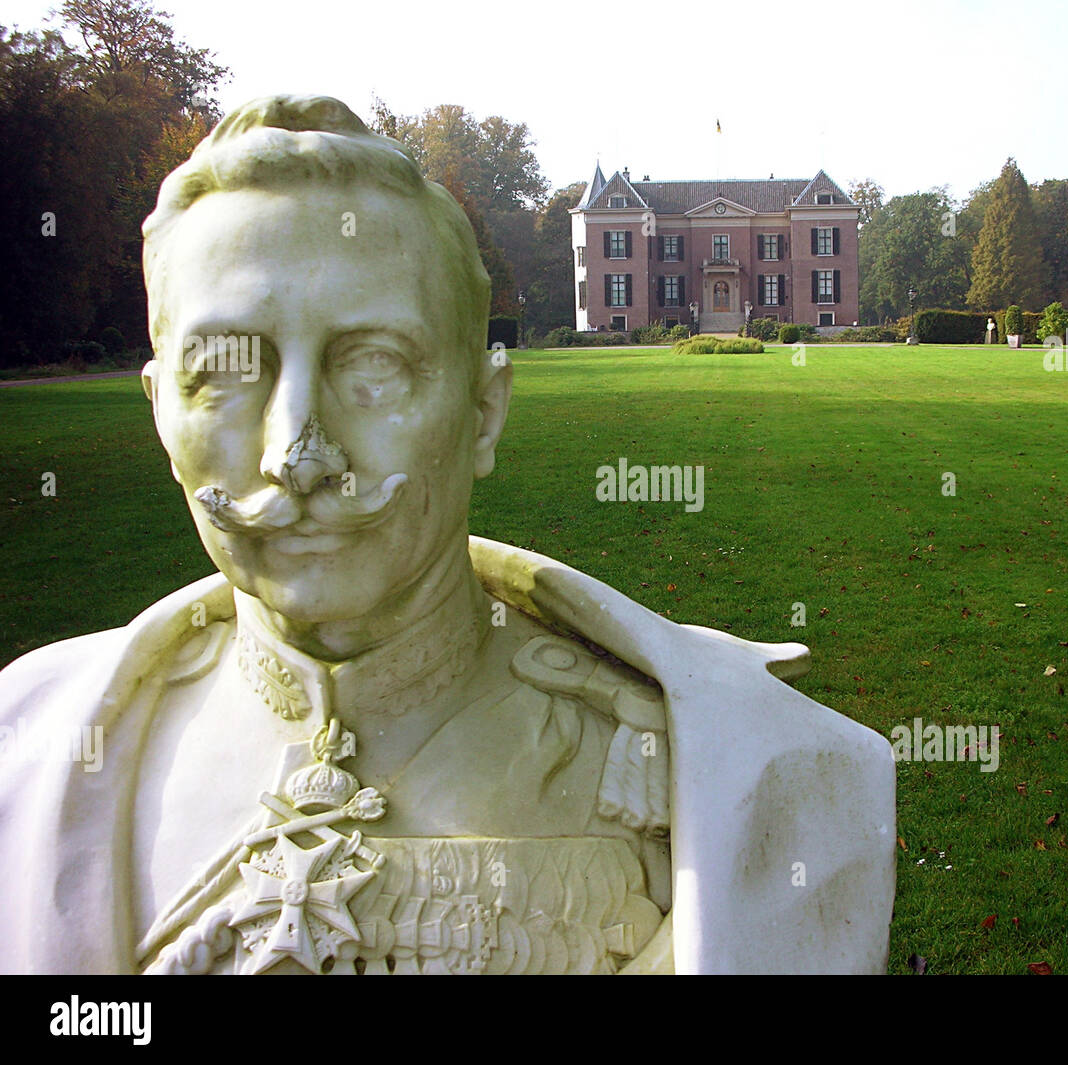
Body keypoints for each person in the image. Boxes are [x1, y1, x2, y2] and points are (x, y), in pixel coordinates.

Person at [0, 96, 894, 976]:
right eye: (226, 369)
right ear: (160, 413)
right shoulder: (25, 757)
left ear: (483, 411)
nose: (298, 456)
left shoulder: (771, 774)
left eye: (375, 363)